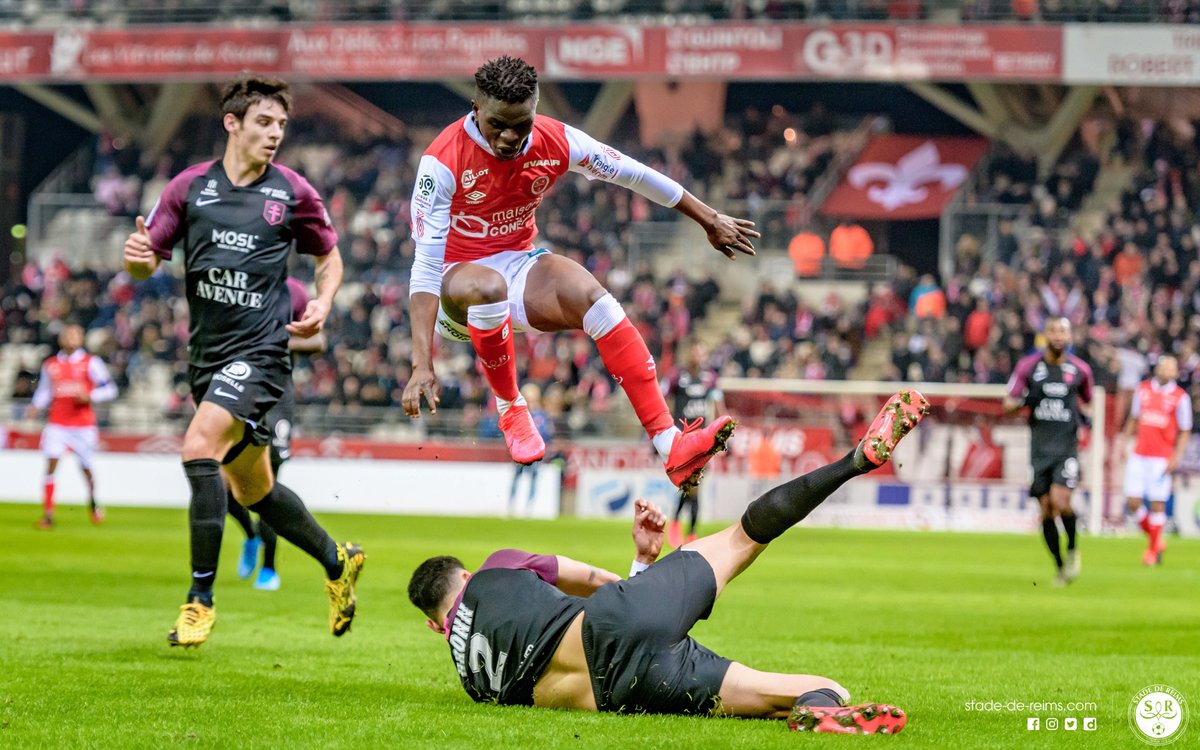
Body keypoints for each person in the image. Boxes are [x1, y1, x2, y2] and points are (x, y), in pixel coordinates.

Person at [407, 390, 928, 734]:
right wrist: (644, 567)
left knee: (808, 693)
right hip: (616, 620)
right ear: (467, 576)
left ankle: (818, 709)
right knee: (744, 537)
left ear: (437, 626)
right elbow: (592, 582)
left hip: (629, 689)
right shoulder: (498, 566)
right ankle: (856, 460)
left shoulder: (473, 682)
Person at [403, 56, 759, 491]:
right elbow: (423, 267)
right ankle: (511, 407)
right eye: (499, 124)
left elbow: (633, 173)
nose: (511, 136)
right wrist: (422, 363)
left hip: (518, 264)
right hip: (455, 283)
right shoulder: (441, 161)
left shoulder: (556, 140)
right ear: (475, 107)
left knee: (598, 300)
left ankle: (671, 446)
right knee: (488, 285)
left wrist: (708, 218)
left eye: (523, 123)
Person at [122, 73, 363, 647]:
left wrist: (324, 301)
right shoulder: (188, 188)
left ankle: (199, 600)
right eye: (263, 122)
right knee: (253, 490)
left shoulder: (293, 193)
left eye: (281, 124)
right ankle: (337, 560)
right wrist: (135, 258)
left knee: (197, 446)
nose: (274, 132)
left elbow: (330, 259)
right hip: (206, 359)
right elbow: (145, 261)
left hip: (261, 354)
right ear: (232, 123)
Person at [226, 277, 325, 591]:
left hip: (277, 396)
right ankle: (251, 536)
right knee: (225, 485)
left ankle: (268, 568)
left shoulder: (295, 291)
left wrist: (273, 341)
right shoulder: (238, 285)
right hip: (236, 391)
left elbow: (316, 341)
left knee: (267, 483)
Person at [1004, 317, 1093, 586]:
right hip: (1039, 449)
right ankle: (1059, 566)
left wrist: (1084, 424)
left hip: (1066, 447)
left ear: (1070, 336)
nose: (1058, 335)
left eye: (1063, 331)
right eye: (1053, 330)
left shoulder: (1080, 370)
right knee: (1045, 511)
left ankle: (1073, 549)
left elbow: (1088, 401)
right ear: (1046, 335)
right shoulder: (1028, 366)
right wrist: (1019, 402)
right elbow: (1009, 400)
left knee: (1061, 502)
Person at [26, 324, 118, 528]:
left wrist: (91, 395)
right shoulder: (51, 364)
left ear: (81, 338)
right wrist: (35, 406)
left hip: (83, 425)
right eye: (68, 335)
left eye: (75, 335)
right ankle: (48, 515)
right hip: (57, 423)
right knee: (51, 463)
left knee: (85, 467)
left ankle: (93, 503)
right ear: (61, 339)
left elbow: (111, 389)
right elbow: (44, 390)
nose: (71, 338)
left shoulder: (91, 362)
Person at [1122, 355, 1192, 566]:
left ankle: (1152, 551)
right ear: (1158, 369)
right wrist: (1124, 442)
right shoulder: (1142, 389)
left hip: (1161, 458)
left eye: (1172, 369)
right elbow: (1134, 418)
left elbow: (1185, 430)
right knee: (1133, 501)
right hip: (1139, 453)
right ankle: (1156, 539)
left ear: (1175, 372)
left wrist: (1176, 457)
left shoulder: (1181, 397)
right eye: (1165, 367)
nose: (1168, 371)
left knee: (1157, 504)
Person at [662, 341, 725, 547]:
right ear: (688, 353)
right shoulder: (675, 376)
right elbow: (662, 400)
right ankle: (689, 532)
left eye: (701, 351)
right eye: (694, 351)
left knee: (693, 484)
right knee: (692, 483)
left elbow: (717, 405)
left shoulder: (710, 378)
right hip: (682, 438)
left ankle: (679, 525)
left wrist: (724, 431)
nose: (697, 355)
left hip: (702, 440)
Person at [507, 383, 554, 517]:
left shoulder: (541, 415)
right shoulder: (520, 413)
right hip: (521, 450)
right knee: (517, 477)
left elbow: (545, 432)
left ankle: (529, 506)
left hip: (534, 452)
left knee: (532, 478)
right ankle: (512, 504)